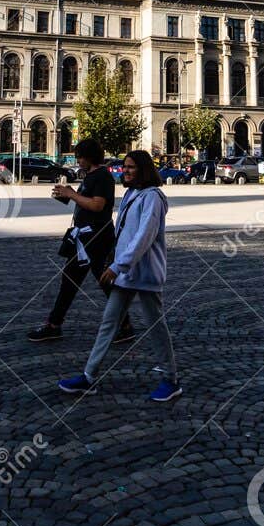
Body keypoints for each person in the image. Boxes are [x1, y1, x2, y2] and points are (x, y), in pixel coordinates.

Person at [57, 149, 181, 403]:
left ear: (144, 170)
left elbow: (143, 237)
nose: (125, 171)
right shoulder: (131, 194)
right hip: (125, 273)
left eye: (131, 168)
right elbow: (123, 233)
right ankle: (89, 376)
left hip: (144, 273)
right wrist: (113, 261)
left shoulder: (153, 198)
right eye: (124, 167)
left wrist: (117, 266)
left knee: (156, 326)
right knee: (108, 323)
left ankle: (171, 379)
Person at [29, 139, 134, 345]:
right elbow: (86, 201)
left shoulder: (102, 176)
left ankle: (125, 325)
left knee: (104, 282)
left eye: (80, 157)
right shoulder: (91, 176)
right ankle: (54, 325)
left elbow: (97, 205)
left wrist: (72, 194)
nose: (78, 160)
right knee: (69, 281)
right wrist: (67, 196)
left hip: (96, 240)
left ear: (89, 157)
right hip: (84, 239)